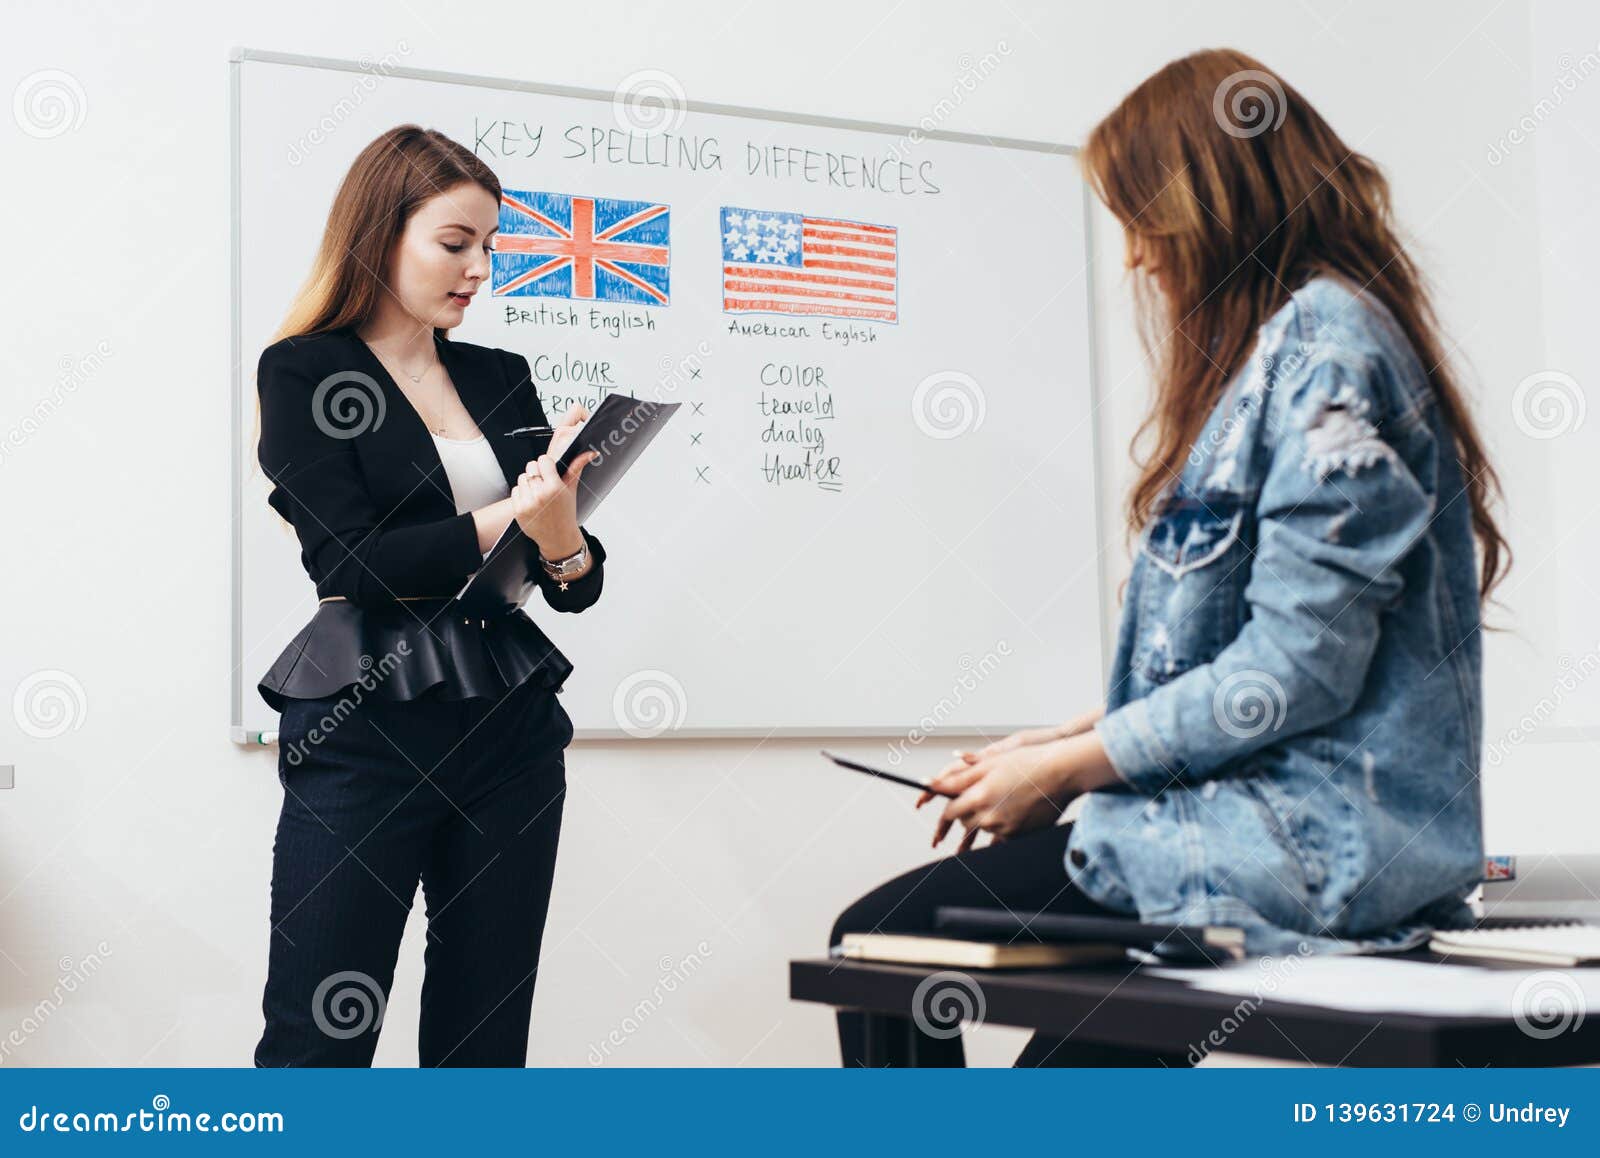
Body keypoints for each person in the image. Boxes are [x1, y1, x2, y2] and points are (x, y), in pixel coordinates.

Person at [830, 48, 1509, 1068]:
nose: (1138, 260)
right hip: (1274, 830)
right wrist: (1062, 745)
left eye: (1141, 222)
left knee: (879, 949)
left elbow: (1290, 674)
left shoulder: (1325, 354)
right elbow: (1266, 657)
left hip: (1305, 846)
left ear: (1210, 204)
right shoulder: (1304, 344)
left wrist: (1067, 768)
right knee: (1072, 1058)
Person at [252, 125, 604, 1066]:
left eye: (489, 246)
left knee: (486, 1036)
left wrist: (562, 537)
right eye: (456, 244)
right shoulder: (304, 369)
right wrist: (514, 519)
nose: (478, 268)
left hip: (510, 724)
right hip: (363, 729)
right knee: (319, 1034)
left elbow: (568, 586)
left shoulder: (499, 375)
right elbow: (353, 567)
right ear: (380, 235)